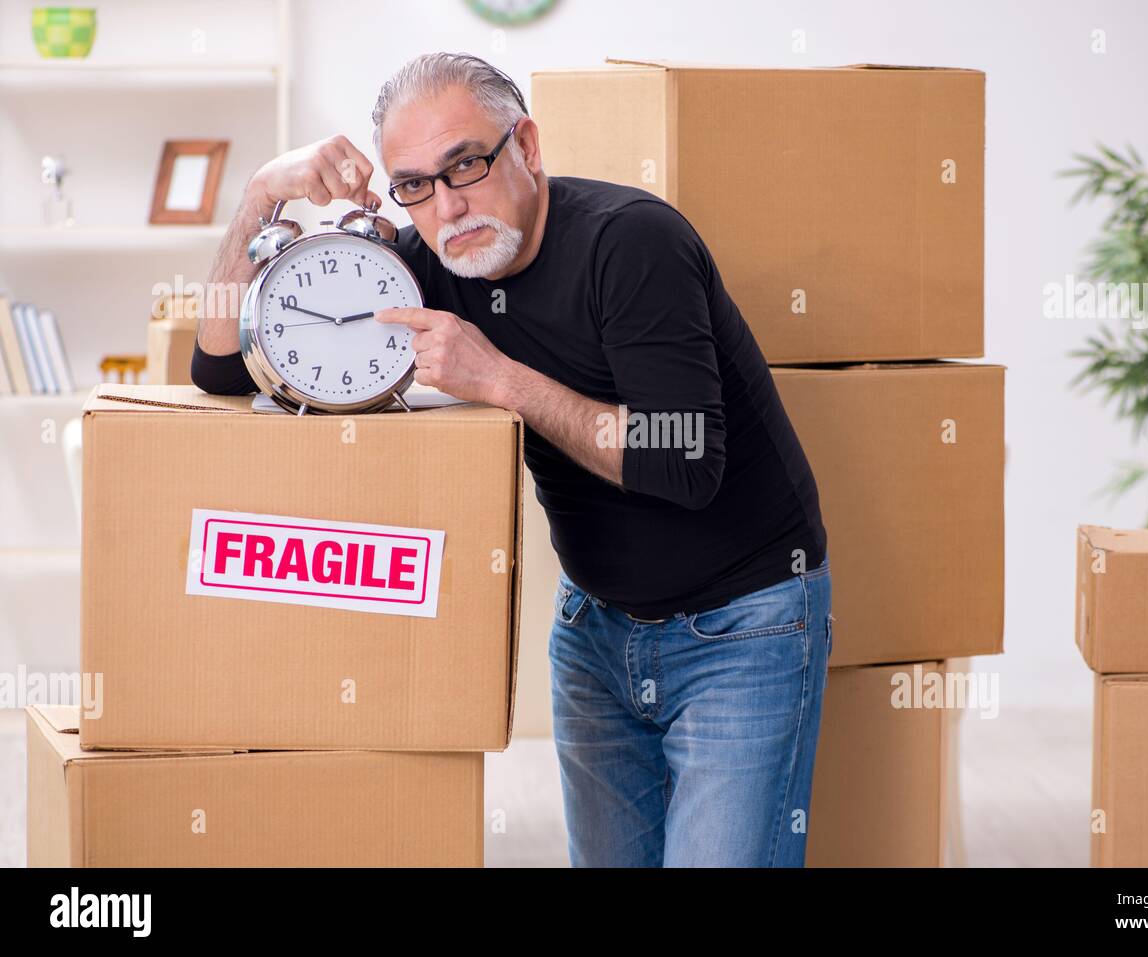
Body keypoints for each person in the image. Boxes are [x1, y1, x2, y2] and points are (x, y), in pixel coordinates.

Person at [190, 52, 831, 867]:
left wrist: (496, 377)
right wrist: (260, 195)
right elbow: (217, 365)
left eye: (466, 163)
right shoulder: (432, 261)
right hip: (596, 629)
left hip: (744, 625)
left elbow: (686, 456)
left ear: (525, 144)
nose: (449, 205)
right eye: (414, 184)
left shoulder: (632, 243)